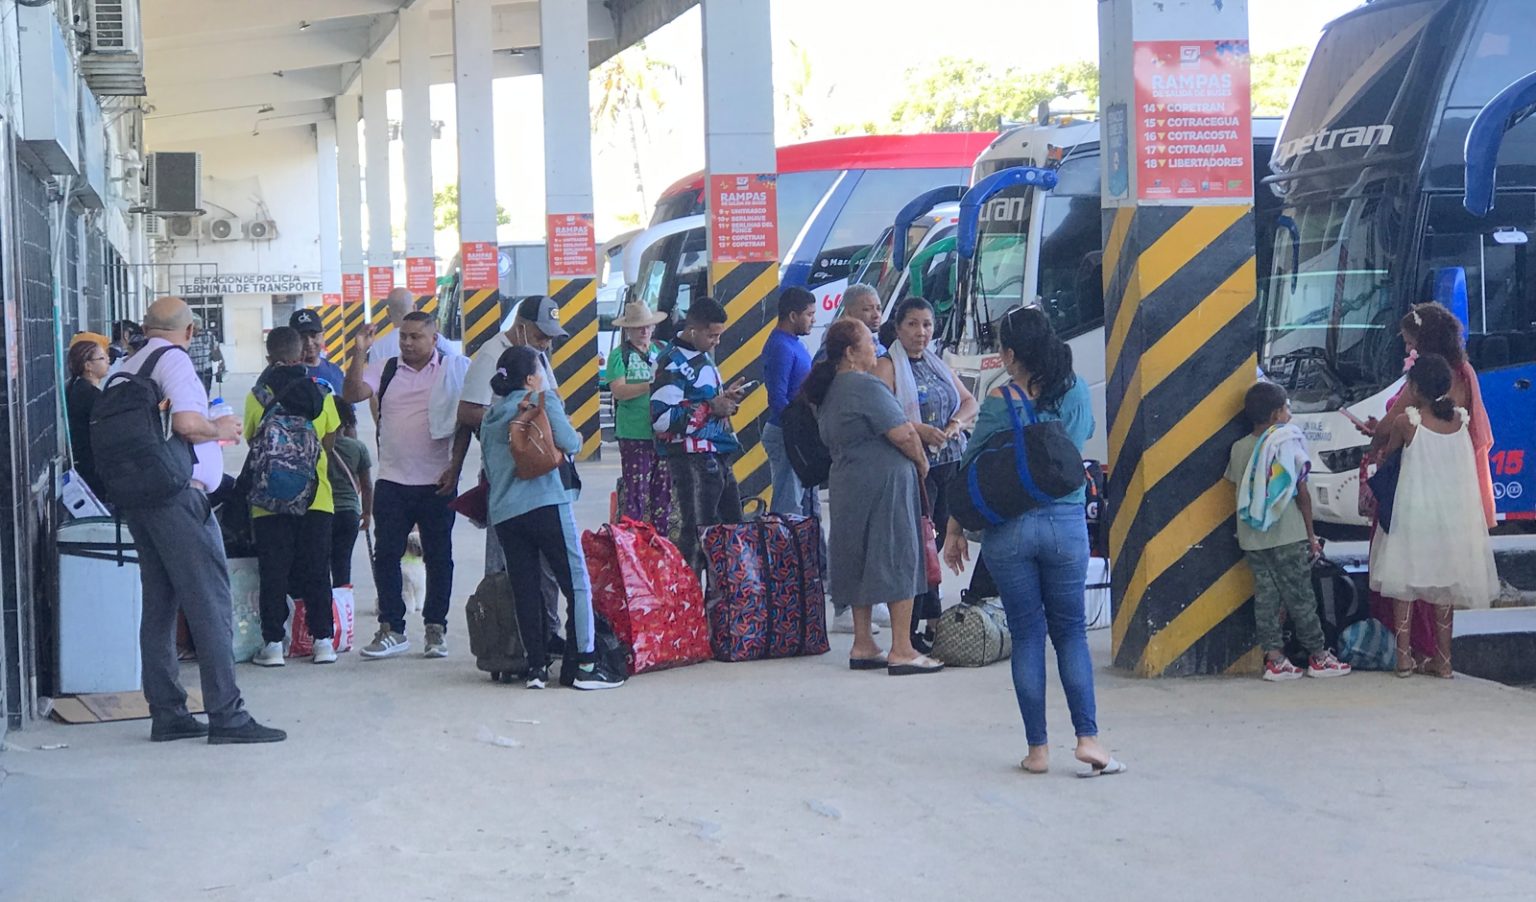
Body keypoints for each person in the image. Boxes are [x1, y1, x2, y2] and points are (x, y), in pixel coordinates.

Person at [941, 306, 1116, 776]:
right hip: (1064, 524)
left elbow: (973, 464)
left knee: (1027, 635)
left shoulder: (1001, 397)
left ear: (1012, 353)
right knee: (1071, 632)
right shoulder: (1075, 389)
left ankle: (1038, 750)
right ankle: (1089, 739)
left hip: (1010, 529)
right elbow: (1078, 443)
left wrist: (955, 528)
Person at [113, 297, 284, 743]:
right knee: (210, 603)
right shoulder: (174, 362)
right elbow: (188, 423)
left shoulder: (125, 366)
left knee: (160, 607)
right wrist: (221, 430)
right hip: (179, 499)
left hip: (141, 502)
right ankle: (228, 715)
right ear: (189, 332)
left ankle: (167, 713)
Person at [481, 346, 626, 691]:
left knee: (526, 588)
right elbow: (569, 443)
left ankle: (536, 668)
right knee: (575, 582)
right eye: (541, 371)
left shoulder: (491, 416)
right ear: (531, 378)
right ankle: (586, 665)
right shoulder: (542, 400)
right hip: (547, 504)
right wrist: (572, 438)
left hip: (505, 513)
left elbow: (488, 466)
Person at [1362, 302, 1495, 669]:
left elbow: (1390, 432)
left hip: (1410, 500)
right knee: (1442, 585)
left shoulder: (1420, 391)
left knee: (1403, 580)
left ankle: (1406, 655)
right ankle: (1442, 659)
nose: (1407, 349)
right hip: (1448, 501)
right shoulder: (1462, 377)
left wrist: (1376, 440)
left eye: (1409, 341)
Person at [806, 318, 941, 675]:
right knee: (898, 555)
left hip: (848, 481)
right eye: (869, 342)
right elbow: (903, 434)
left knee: (858, 556)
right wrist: (922, 462)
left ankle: (863, 643)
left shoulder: (829, 388)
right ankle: (902, 648)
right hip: (885, 482)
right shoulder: (865, 386)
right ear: (851, 353)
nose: (875, 348)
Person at [343, 311, 467, 659]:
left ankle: (435, 628)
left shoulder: (451, 369)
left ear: (434, 336)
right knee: (386, 555)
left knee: (439, 557)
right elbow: (351, 393)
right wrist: (359, 351)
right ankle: (392, 628)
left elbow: (464, 423)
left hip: (437, 481)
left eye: (416, 336)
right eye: (403, 337)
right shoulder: (385, 369)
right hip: (393, 480)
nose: (408, 343)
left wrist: (455, 469)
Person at [458, 294, 567, 653]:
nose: (546, 342)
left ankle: (546, 635)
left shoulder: (535, 357)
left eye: (550, 336)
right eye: (540, 335)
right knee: (507, 566)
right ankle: (508, 642)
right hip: (507, 476)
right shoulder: (491, 356)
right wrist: (513, 419)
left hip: (545, 477)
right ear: (520, 328)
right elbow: (469, 411)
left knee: (547, 570)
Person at [1227, 382, 1352, 681]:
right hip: (1288, 535)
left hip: (1253, 537)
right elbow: (1301, 493)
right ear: (1275, 415)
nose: (1289, 413)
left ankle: (1275, 658)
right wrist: (1310, 535)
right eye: (1285, 408)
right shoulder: (1286, 444)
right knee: (1301, 597)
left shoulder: (1239, 448)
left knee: (1267, 598)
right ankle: (1319, 656)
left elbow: (1238, 486)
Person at [874, 296, 978, 651]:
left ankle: (934, 620)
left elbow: (969, 401)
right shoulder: (887, 366)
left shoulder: (936, 363)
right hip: (914, 467)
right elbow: (882, 415)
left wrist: (954, 424)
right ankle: (912, 626)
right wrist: (919, 429)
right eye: (913, 324)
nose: (921, 332)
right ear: (899, 328)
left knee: (939, 543)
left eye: (927, 325)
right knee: (918, 546)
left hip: (949, 462)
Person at [245, 327, 341, 667]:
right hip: (317, 496)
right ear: (303, 355)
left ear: (269, 357)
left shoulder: (257, 396)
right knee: (317, 569)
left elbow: (252, 441)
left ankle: (273, 644)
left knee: (274, 570)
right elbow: (329, 440)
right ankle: (323, 642)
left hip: (268, 499)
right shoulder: (323, 394)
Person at [651, 297, 747, 575]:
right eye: (712, 335)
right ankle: (690, 610)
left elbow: (699, 400)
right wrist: (709, 407)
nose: (716, 341)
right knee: (696, 541)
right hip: (692, 462)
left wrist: (723, 400)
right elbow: (661, 420)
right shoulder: (670, 363)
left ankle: (723, 609)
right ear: (693, 330)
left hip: (716, 457)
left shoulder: (700, 357)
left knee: (730, 535)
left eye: (719, 335)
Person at [605, 299, 675, 533]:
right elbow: (619, 391)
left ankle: (660, 543)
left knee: (662, 493)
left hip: (662, 432)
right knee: (636, 492)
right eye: (638, 327)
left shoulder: (662, 350)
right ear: (628, 329)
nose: (644, 331)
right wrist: (651, 385)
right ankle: (633, 545)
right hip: (634, 433)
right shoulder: (619, 356)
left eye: (647, 326)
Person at [763, 286, 818, 517]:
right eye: (809, 315)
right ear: (793, 316)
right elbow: (777, 396)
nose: (813, 321)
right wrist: (796, 431)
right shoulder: (781, 347)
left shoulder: (794, 343)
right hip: (787, 433)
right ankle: (785, 551)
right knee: (789, 504)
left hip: (799, 432)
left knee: (807, 504)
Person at [328, 399, 372, 588]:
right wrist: (367, 513)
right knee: (343, 563)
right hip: (349, 512)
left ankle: (323, 609)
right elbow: (367, 485)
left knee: (320, 563)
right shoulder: (358, 448)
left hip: (324, 512)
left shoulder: (318, 447)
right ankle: (342, 606)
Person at [65, 338, 111, 498]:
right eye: (102, 357)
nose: (108, 360)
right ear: (88, 366)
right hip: (91, 466)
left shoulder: (80, 390)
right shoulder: (88, 395)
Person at [367, 287, 454, 362]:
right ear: (414, 308)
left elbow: (373, 379)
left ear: (388, 313)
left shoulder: (377, 348)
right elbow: (455, 361)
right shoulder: (433, 339)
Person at [814, 283, 887, 363]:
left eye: (879, 308)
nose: (876, 315)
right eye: (867, 309)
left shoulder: (879, 348)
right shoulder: (834, 350)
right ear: (848, 313)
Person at [290, 308, 346, 393]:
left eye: (313, 335)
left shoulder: (335, 371)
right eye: (302, 337)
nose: (309, 342)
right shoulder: (282, 375)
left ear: (323, 335)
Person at [187, 314, 222, 393]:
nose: (194, 330)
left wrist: (221, 363)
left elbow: (216, 354)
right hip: (191, 371)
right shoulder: (186, 337)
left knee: (205, 392)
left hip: (206, 371)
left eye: (196, 328)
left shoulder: (209, 336)